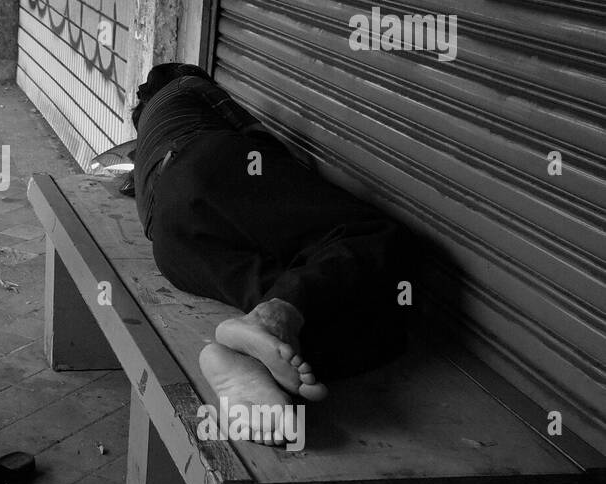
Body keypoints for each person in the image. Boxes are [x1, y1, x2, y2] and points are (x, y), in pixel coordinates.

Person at [132, 64, 415, 445]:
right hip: (209, 166)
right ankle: (270, 319)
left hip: (170, 242)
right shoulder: (189, 86)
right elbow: (259, 140)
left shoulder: (148, 131)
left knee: (344, 312)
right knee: (381, 241)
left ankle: (252, 360)